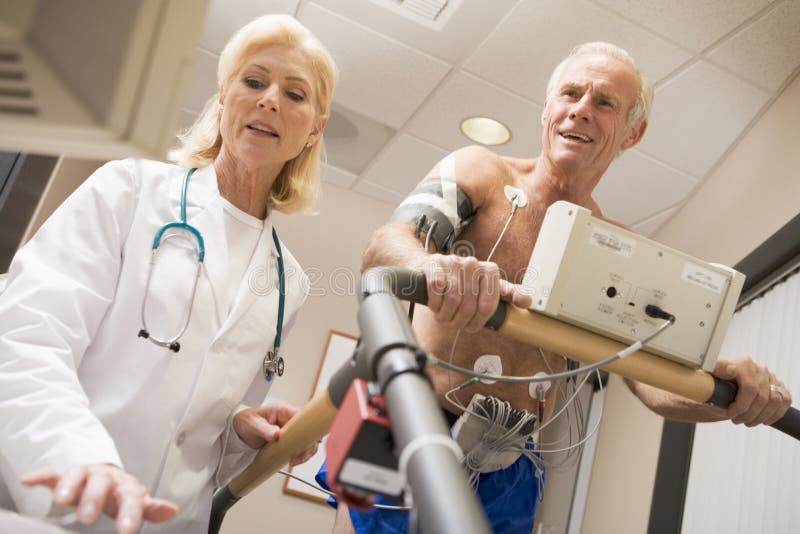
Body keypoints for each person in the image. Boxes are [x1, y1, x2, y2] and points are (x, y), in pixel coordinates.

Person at [320, 42, 793, 533]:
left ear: (634, 131)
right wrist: (435, 267)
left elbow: (653, 383)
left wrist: (727, 393)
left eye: (605, 102)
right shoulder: (479, 172)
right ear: (547, 109)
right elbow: (386, 245)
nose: (581, 110)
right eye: (570, 93)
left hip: (509, 460)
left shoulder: (617, 249)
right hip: (411, 423)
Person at [0, 14, 336, 534]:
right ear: (223, 96)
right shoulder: (129, 191)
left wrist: (240, 433)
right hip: (56, 501)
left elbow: (204, 440)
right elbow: (24, 336)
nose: (270, 99)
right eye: (253, 81)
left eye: (295, 94)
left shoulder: (288, 281)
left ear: (315, 128)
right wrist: (80, 456)